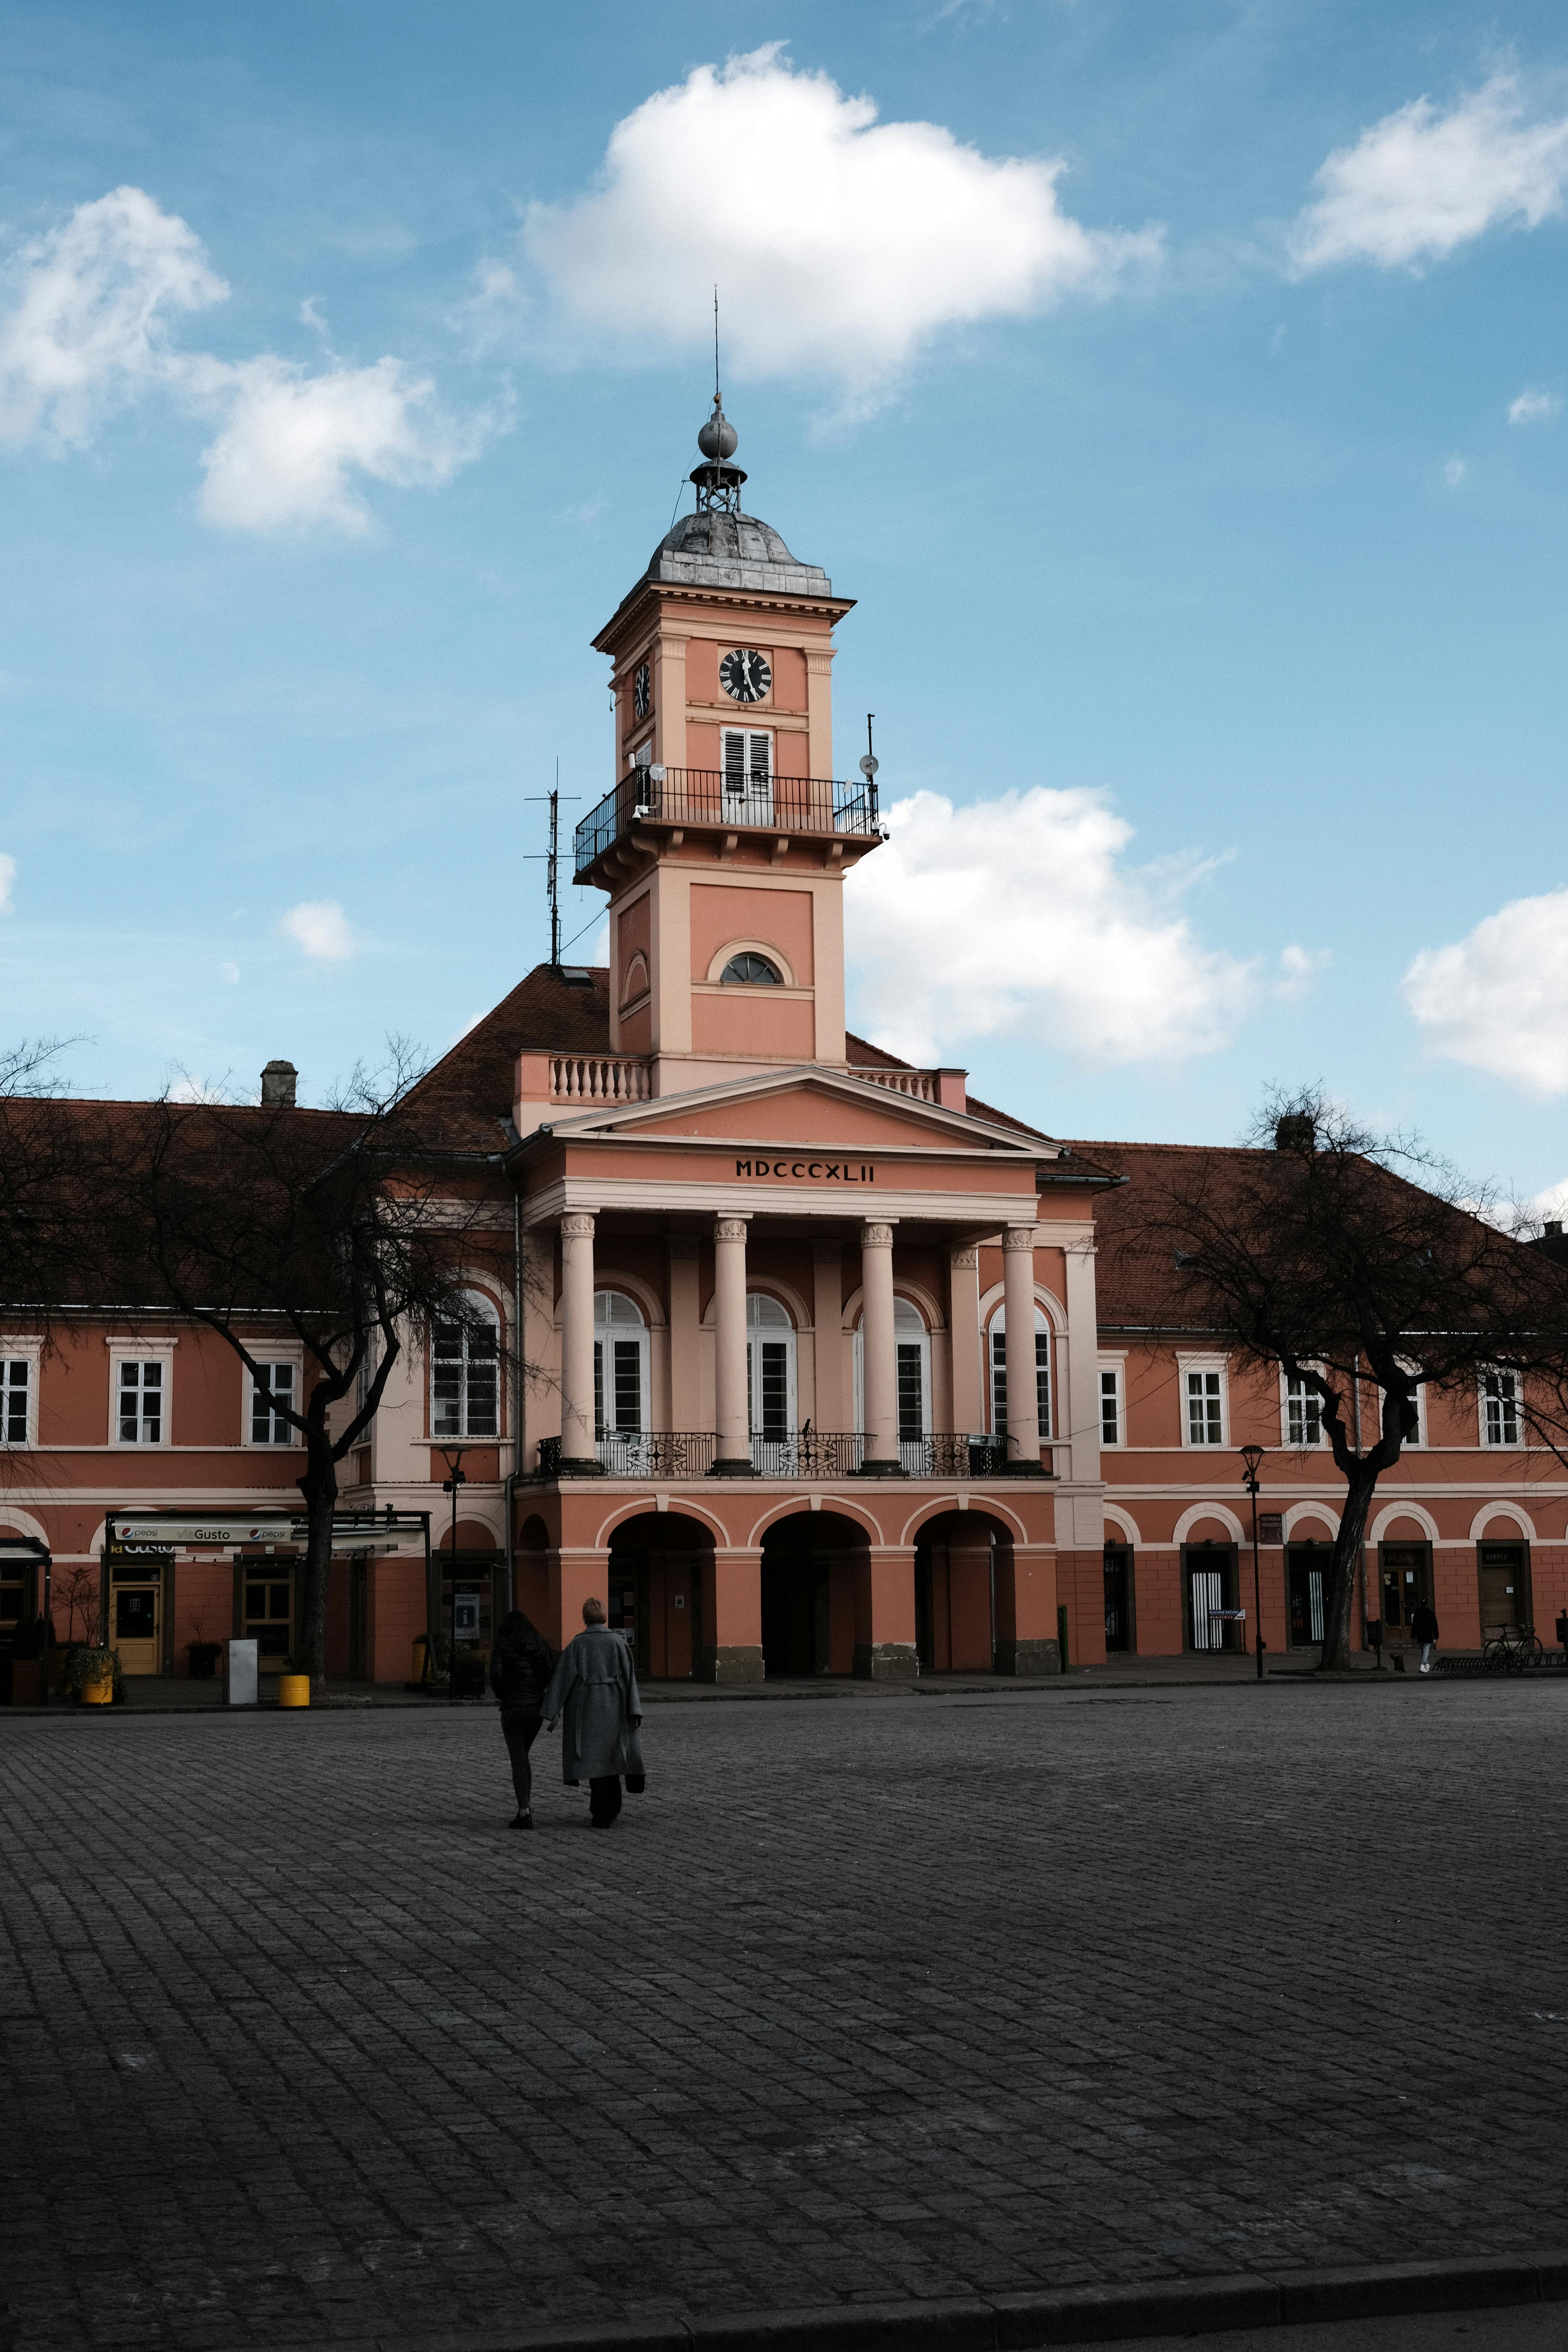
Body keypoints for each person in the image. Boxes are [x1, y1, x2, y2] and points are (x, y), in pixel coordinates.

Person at [542, 1596, 645, 1827]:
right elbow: (630, 1679)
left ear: (585, 1618)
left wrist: (551, 1710)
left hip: (587, 1708)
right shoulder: (619, 1643)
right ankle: (611, 1808)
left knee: (595, 1761)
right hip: (615, 1707)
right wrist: (634, 1710)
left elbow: (562, 1679)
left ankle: (602, 1812)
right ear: (605, 1617)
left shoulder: (577, 1645)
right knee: (613, 1757)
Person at [489, 1609, 556, 1829]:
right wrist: (538, 1690)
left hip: (513, 1709)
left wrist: (504, 1694)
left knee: (518, 1758)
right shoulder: (539, 1643)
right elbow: (549, 1671)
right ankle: (525, 1807)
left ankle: (524, 1811)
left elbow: (496, 1675)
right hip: (535, 1708)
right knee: (523, 1756)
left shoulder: (503, 1643)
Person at [1410, 1596, 1440, 1674]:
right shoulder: (1431, 1613)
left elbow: (1414, 1625)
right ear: (1427, 1604)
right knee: (1426, 1650)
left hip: (1420, 1634)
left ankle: (1426, 1667)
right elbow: (1435, 1625)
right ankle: (1423, 1665)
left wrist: (1413, 1635)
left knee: (1423, 1651)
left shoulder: (1417, 1613)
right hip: (1428, 1634)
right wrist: (1436, 1636)